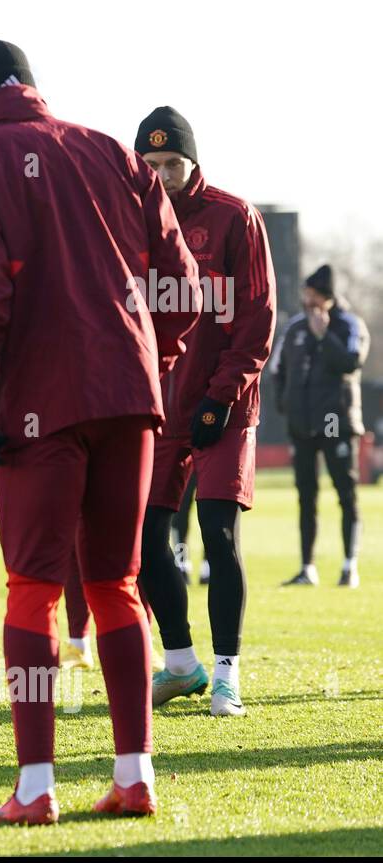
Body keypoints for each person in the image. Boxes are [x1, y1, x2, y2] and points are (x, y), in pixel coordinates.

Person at [0, 40, 200, 824]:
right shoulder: (111, 152)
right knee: (116, 585)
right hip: (130, 397)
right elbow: (182, 289)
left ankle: (35, 788)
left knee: (33, 588)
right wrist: (146, 357)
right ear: (34, 87)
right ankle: (134, 776)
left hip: (40, 402)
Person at [133, 107, 276, 718]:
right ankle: (182, 664)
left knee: (218, 534)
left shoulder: (234, 216)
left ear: (192, 162)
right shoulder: (125, 223)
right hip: (161, 407)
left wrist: (221, 398)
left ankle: (225, 676)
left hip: (226, 407)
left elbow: (257, 321)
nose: (162, 174)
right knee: (144, 540)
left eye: (172, 163)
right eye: (151, 164)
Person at [272, 264, 370, 587]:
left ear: (326, 298)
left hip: (333, 421)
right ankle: (307, 567)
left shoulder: (348, 324)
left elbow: (350, 362)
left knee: (345, 491)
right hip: (303, 425)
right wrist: (285, 404)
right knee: (306, 496)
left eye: (312, 294)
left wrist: (324, 336)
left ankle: (349, 565)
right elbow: (279, 368)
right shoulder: (295, 327)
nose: (307, 300)